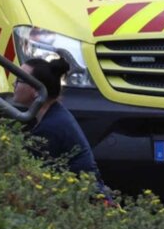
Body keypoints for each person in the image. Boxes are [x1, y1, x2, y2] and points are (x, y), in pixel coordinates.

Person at [13, 58, 106, 190]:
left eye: (19, 80)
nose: (14, 84)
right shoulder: (54, 114)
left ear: (36, 90)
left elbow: (28, 175)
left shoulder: (51, 127)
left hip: (82, 199)